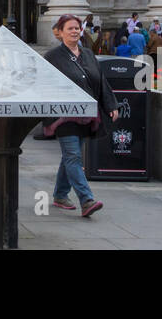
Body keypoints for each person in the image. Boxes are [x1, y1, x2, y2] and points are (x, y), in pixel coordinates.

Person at [43, 13, 120, 218]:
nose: (75, 31)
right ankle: (86, 200)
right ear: (60, 33)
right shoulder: (52, 57)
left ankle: (60, 194)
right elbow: (43, 85)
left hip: (86, 115)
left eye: (77, 27)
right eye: (70, 28)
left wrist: (111, 104)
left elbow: (101, 80)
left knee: (71, 155)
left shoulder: (87, 54)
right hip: (63, 116)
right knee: (74, 156)